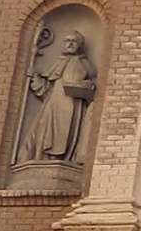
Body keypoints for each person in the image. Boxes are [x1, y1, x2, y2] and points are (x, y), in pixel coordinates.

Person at [15, 30, 99, 164]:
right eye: (67, 41)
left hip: (73, 103)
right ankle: (43, 158)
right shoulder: (59, 62)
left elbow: (94, 85)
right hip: (54, 103)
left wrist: (86, 86)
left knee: (67, 133)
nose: (70, 44)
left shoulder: (85, 64)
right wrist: (34, 77)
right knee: (46, 130)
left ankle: (65, 159)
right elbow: (46, 89)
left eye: (73, 41)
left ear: (80, 44)